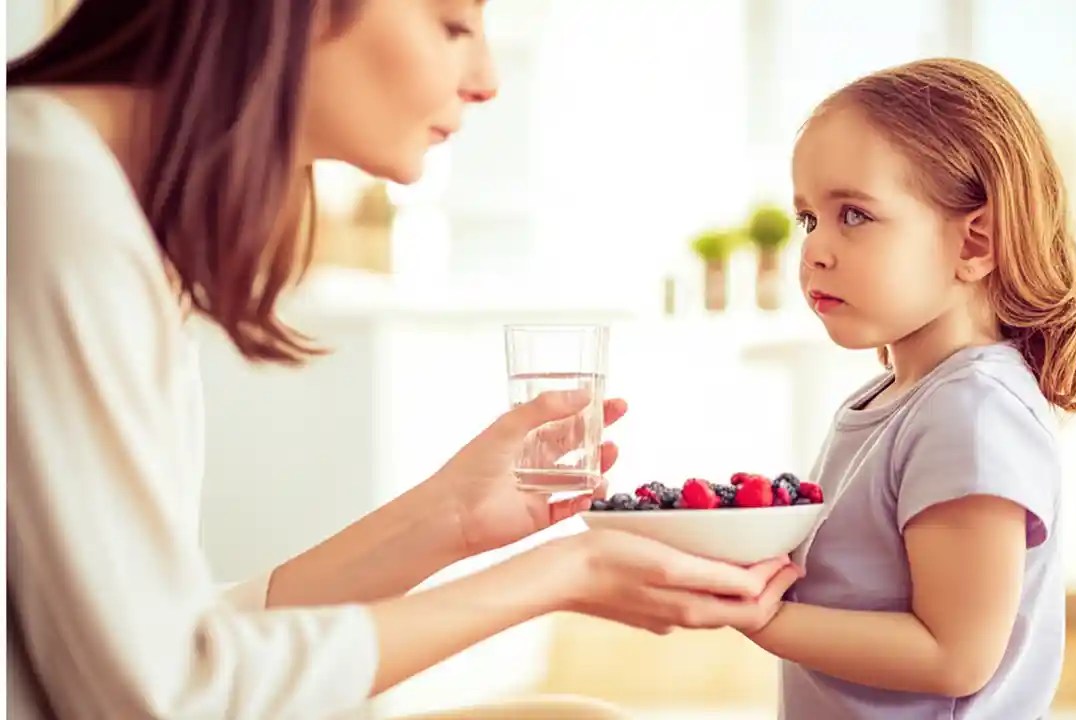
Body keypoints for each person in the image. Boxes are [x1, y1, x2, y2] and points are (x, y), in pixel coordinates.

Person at [5, 1, 802, 718]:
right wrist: (560, 574)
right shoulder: (46, 193)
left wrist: (444, 521)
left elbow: (159, 649)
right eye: (453, 24)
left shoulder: (88, 194)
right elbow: (160, 698)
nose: (487, 81)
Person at [740, 58, 1076, 718]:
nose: (814, 250)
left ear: (975, 241)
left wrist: (763, 621)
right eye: (808, 218)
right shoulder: (893, 399)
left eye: (855, 215)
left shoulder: (973, 414)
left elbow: (954, 655)